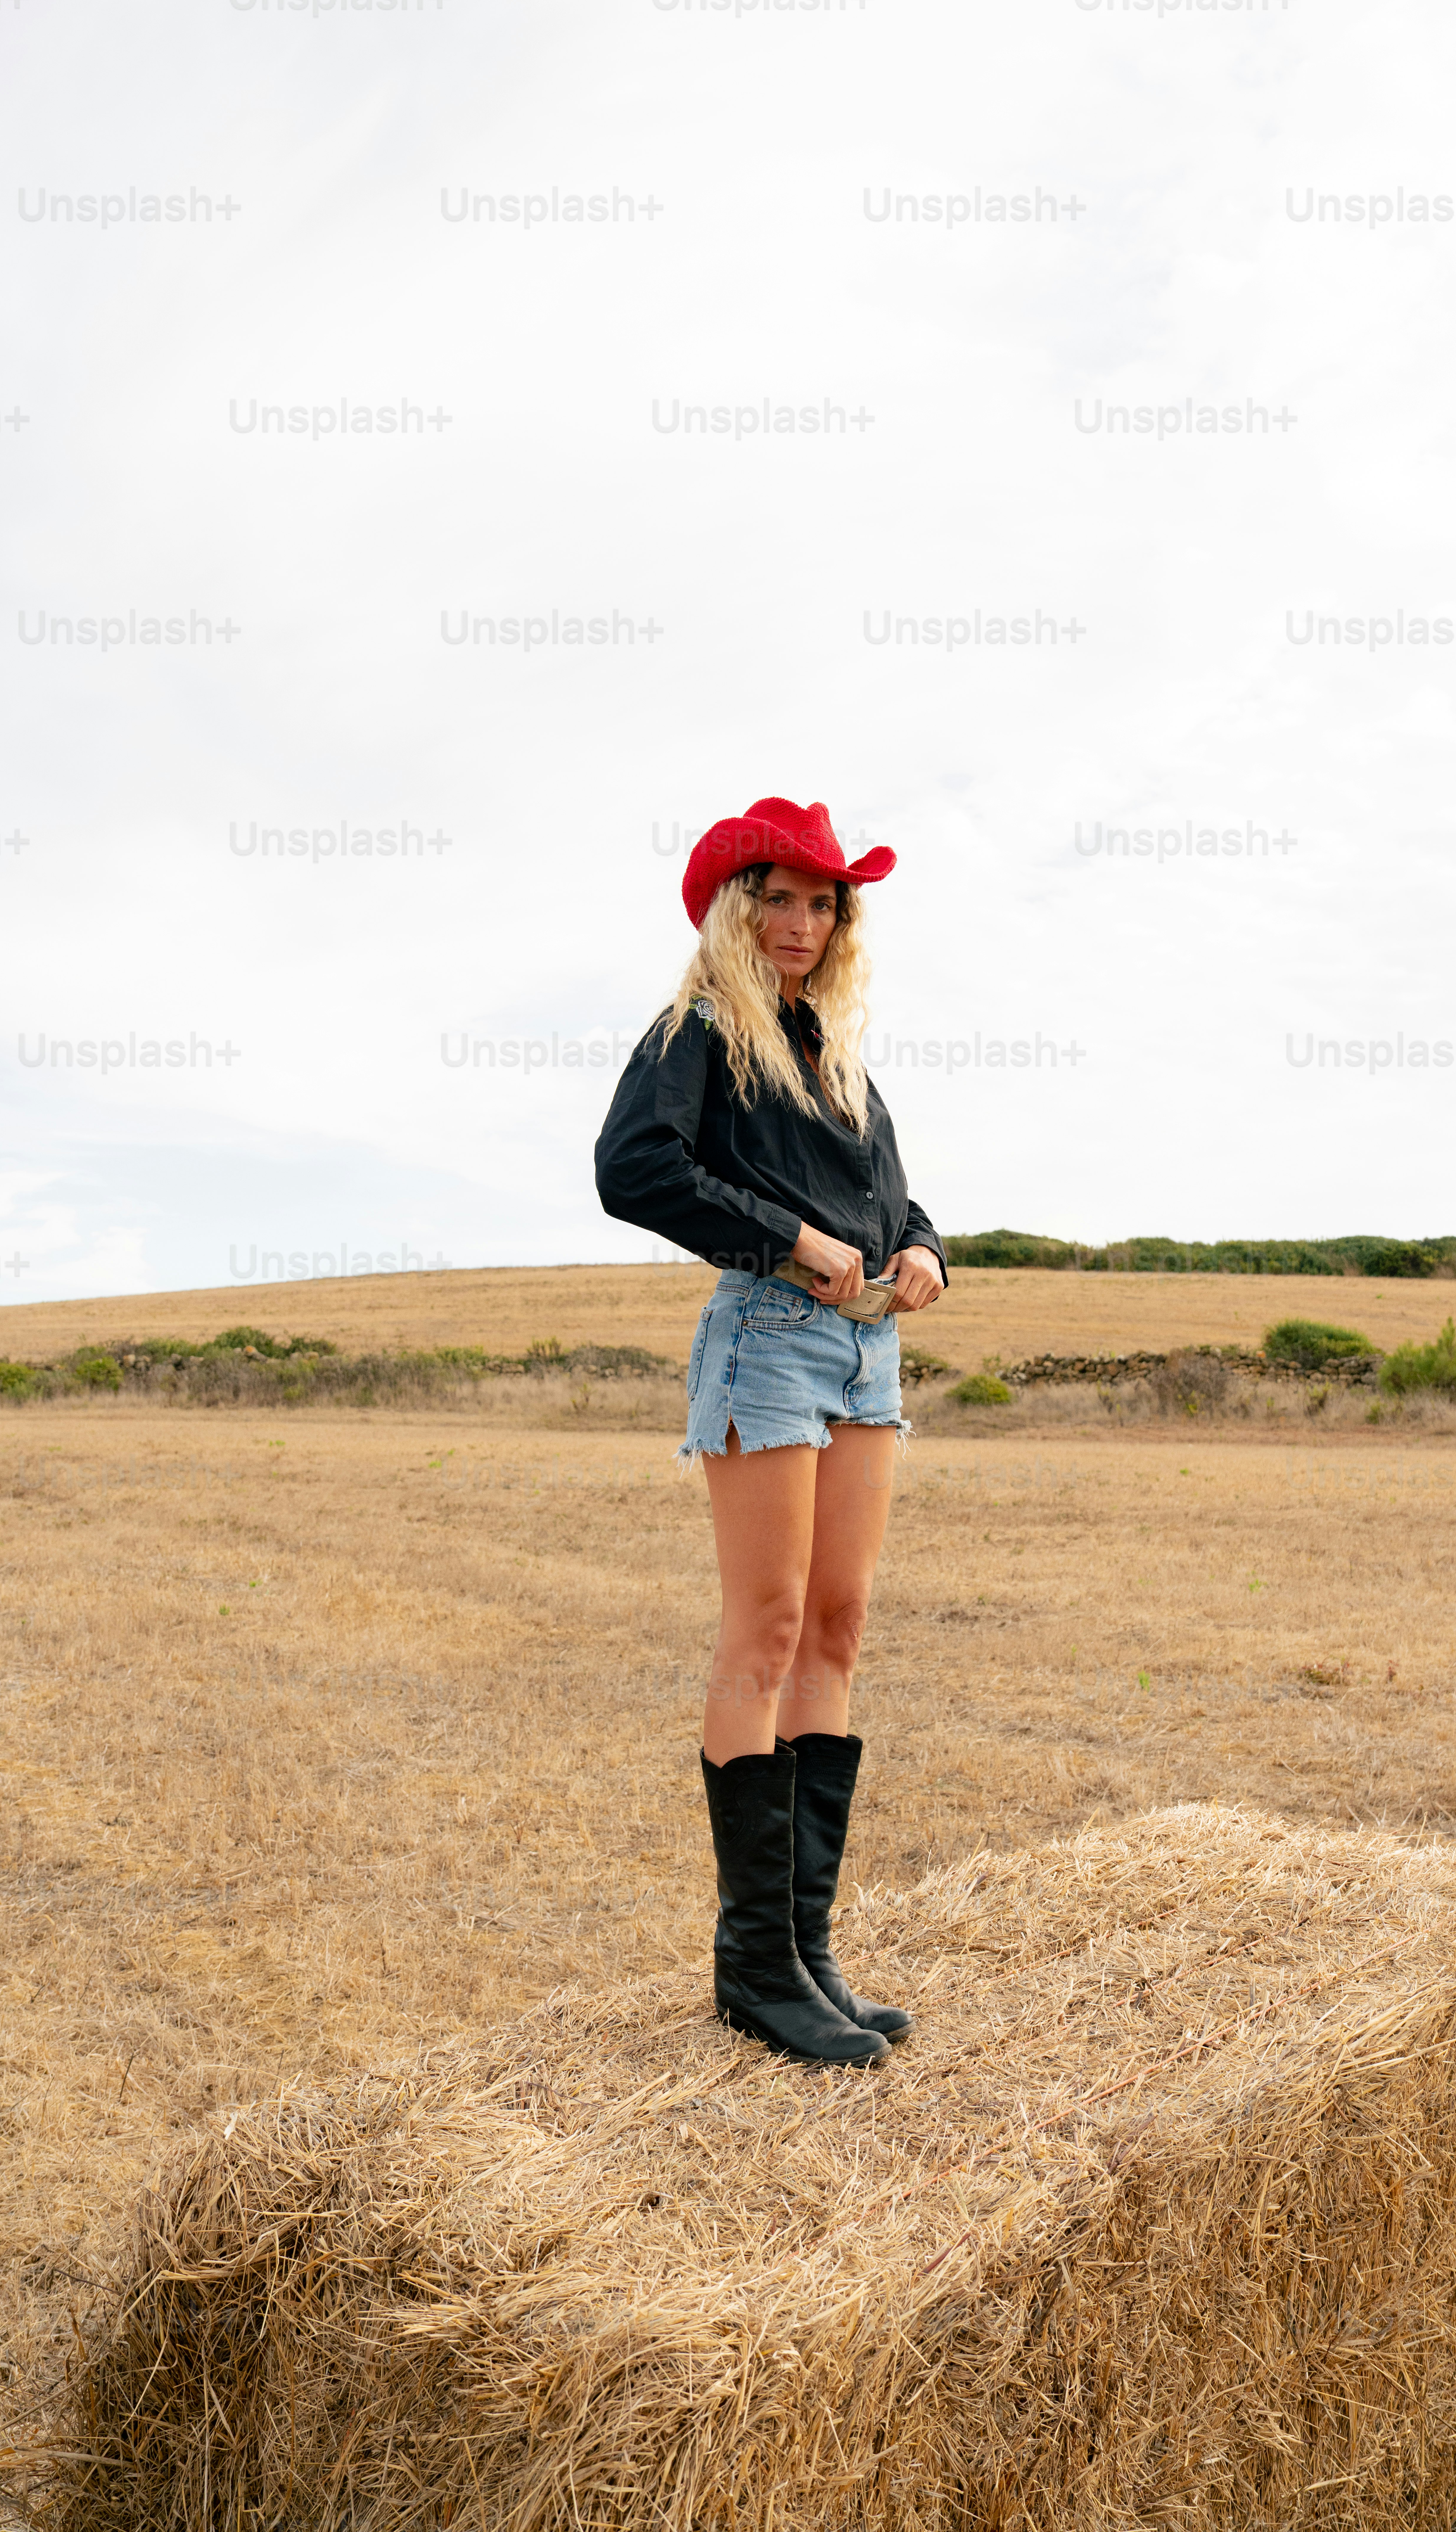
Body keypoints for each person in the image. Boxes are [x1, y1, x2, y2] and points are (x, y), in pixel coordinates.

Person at [594, 796, 946, 2068]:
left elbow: (897, 1198)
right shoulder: (699, 1031)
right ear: (734, 908)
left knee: (841, 1623)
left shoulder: (835, 1055)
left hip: (867, 1348)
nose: (800, 925)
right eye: (778, 900)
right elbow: (633, 1166)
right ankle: (752, 1967)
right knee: (771, 1624)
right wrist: (790, 1242)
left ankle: (808, 1949)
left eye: (822, 905)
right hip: (772, 1334)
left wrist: (921, 1253)